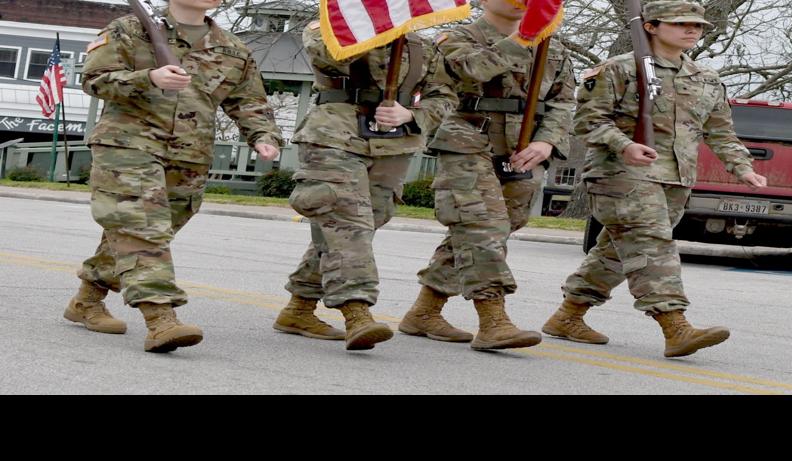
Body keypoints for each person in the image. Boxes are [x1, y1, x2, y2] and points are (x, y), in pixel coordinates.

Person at [544, 0, 766, 358]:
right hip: (620, 174)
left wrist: (743, 168)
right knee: (652, 244)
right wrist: (625, 145)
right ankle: (674, 325)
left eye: (697, 25)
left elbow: (720, 132)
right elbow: (587, 121)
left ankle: (568, 316)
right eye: (681, 23)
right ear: (651, 26)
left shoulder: (705, 79)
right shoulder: (619, 70)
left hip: (675, 179)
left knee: (617, 251)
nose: (692, 30)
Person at [66, 0, 281, 353]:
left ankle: (87, 299)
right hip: (127, 145)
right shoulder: (129, 29)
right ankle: (161, 319)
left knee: (144, 230)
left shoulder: (233, 48)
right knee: (141, 226)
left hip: (189, 156)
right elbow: (94, 79)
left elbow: (249, 101)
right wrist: (148, 77)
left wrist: (263, 137)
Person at [400, 0, 575, 351]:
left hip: (522, 149)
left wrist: (546, 141)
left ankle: (424, 311)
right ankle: (494, 320)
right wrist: (524, 38)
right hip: (467, 141)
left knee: (480, 232)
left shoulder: (552, 47)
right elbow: (472, 70)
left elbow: (562, 102)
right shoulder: (455, 38)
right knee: (483, 227)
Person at [274, 21, 458, 351]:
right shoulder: (331, 26)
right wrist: (375, 25)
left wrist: (412, 114)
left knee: (360, 224)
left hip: (392, 145)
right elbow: (331, 55)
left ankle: (299, 308)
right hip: (334, 136)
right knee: (348, 223)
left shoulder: (420, 47)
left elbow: (444, 95)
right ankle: (357, 311)